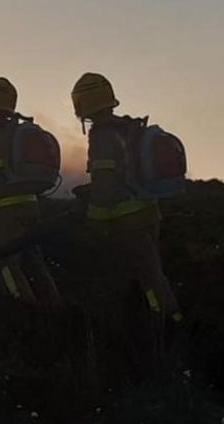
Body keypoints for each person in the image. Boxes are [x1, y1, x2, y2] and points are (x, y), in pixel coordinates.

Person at [70, 72, 181, 373]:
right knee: (153, 273)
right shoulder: (129, 128)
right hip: (148, 213)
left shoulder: (102, 134)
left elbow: (106, 185)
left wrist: (93, 221)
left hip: (125, 222)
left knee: (145, 278)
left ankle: (165, 335)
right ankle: (164, 327)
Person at [0, 77, 60, 306]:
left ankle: (22, 312)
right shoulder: (17, 131)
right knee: (32, 261)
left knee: (3, 263)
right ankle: (56, 310)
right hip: (30, 206)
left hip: (3, 213)